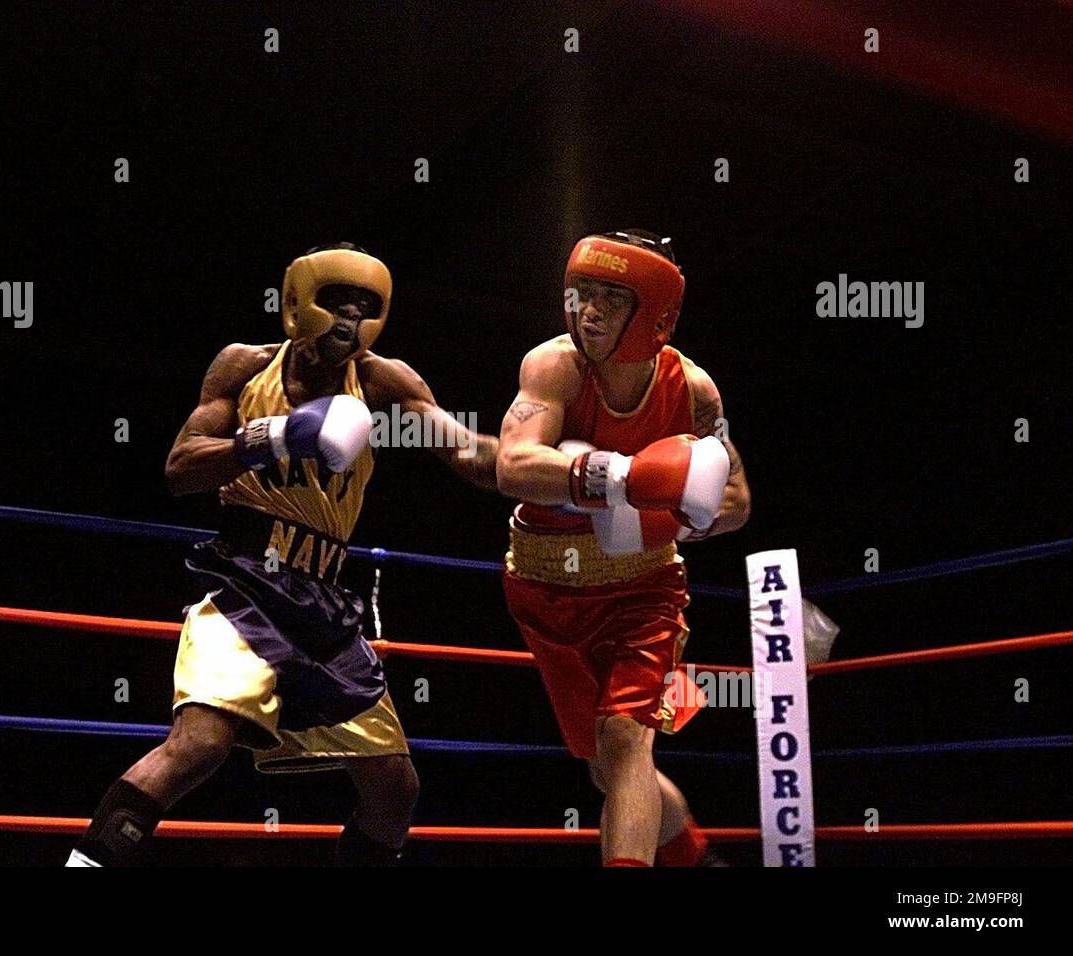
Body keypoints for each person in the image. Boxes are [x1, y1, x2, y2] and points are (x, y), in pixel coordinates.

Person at [68, 243, 497, 866]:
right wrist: (271, 437)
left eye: (365, 306)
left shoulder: (383, 380)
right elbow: (181, 468)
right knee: (198, 746)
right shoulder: (244, 367)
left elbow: (466, 451)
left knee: (394, 789)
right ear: (299, 303)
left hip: (324, 603)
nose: (350, 318)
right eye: (337, 301)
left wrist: (556, 473)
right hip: (244, 582)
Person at [496, 229, 750, 866]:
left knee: (625, 735)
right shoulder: (553, 366)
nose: (589, 311)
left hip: (645, 587)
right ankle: (697, 857)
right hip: (546, 586)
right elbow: (513, 465)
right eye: (583, 293)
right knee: (603, 764)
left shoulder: (693, 390)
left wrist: (673, 520)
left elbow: (736, 499)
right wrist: (622, 479)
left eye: (613, 299)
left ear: (655, 316)